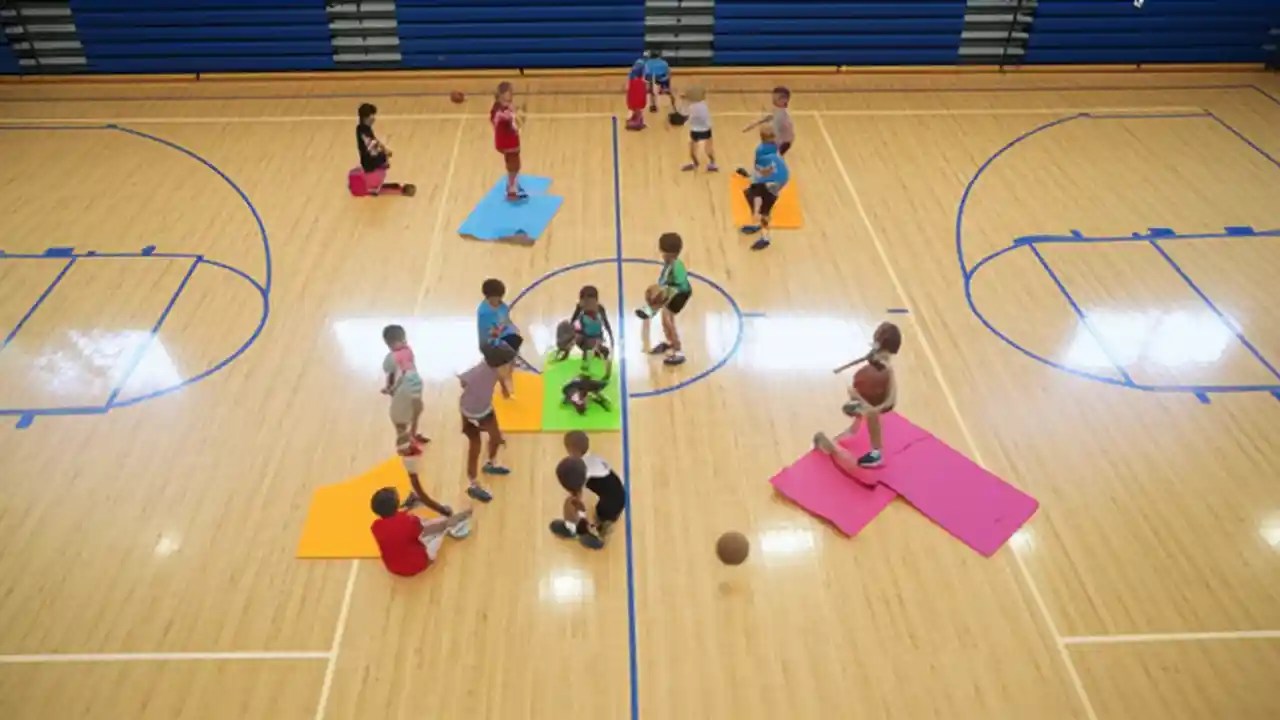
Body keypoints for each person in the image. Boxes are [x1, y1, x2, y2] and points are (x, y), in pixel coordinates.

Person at [814, 322, 903, 469]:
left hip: (873, 405)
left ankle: (875, 454)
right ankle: (841, 439)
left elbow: (889, 398)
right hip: (869, 402)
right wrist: (841, 369)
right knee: (856, 426)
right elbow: (862, 359)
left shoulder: (885, 370)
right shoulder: (877, 358)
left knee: (868, 418)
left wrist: (863, 399)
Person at [458, 344, 517, 502]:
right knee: (475, 447)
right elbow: (463, 380)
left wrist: (504, 388)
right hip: (470, 413)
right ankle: (473, 484)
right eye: (509, 363)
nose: (512, 366)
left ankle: (490, 463)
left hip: (485, 410)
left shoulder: (496, 370)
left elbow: (499, 377)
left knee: (496, 437)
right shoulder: (478, 372)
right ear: (498, 364)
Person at [370, 486, 473, 577]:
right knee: (440, 527)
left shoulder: (375, 527)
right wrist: (461, 516)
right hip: (418, 564)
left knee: (420, 527)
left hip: (392, 567)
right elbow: (435, 528)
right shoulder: (408, 522)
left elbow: (396, 531)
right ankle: (451, 531)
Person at [549, 431, 627, 550]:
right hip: (617, 495)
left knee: (579, 507)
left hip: (611, 505)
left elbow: (577, 497)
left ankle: (593, 535)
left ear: (573, 450)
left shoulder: (581, 470)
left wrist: (577, 514)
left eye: (567, 447)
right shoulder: (589, 459)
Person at [637, 232, 692, 366]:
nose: (661, 254)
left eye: (663, 252)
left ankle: (678, 350)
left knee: (667, 319)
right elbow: (664, 280)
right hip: (673, 292)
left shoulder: (677, 266)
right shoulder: (669, 263)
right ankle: (671, 343)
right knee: (666, 319)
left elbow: (679, 284)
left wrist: (663, 292)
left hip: (680, 294)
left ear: (671, 253)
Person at [739, 126, 790, 251]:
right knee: (752, 193)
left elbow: (762, 170)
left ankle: (765, 237)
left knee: (763, 209)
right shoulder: (775, 146)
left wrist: (753, 176)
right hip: (780, 179)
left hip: (772, 183)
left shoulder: (760, 150)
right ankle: (758, 222)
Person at [381, 324, 429, 447]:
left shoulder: (391, 358)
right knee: (415, 411)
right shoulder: (408, 350)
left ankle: (404, 445)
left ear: (388, 343)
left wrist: (388, 389)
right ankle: (413, 434)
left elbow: (391, 376)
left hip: (404, 388)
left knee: (398, 420)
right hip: (416, 384)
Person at [354, 103, 415, 196]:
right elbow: (372, 147)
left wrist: (384, 149)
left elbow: (374, 141)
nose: (374, 118)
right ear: (366, 117)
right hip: (369, 162)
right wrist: (383, 155)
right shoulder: (362, 131)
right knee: (382, 159)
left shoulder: (365, 128)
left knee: (383, 157)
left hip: (370, 159)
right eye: (372, 116)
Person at [738, 86, 795, 177]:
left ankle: (760, 176)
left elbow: (779, 132)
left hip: (782, 143)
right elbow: (769, 117)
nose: (772, 99)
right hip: (778, 142)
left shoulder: (783, 116)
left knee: (767, 159)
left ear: (784, 100)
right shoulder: (777, 110)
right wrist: (755, 123)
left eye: (775, 97)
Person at [557, 285, 615, 367]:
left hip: (592, 337)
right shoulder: (590, 308)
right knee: (581, 337)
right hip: (588, 336)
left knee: (584, 341)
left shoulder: (596, 309)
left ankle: (592, 355)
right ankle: (594, 353)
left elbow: (573, 322)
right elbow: (573, 322)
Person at [490, 82, 526, 201]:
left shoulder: (499, 108)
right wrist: (518, 115)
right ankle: (512, 191)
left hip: (506, 140)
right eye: (508, 93)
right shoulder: (501, 112)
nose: (511, 95)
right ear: (501, 96)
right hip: (507, 142)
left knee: (511, 164)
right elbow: (514, 120)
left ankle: (512, 185)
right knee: (515, 165)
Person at [679, 86, 718, 173]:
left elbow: (684, 113)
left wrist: (683, 102)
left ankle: (695, 163)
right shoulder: (702, 105)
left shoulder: (693, 107)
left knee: (693, 149)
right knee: (707, 149)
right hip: (705, 129)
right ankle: (712, 163)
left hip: (697, 129)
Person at [625, 60, 647, 131]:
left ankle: (637, 120)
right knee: (638, 107)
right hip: (637, 94)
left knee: (636, 108)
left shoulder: (631, 78)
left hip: (634, 94)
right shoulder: (639, 81)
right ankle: (637, 122)